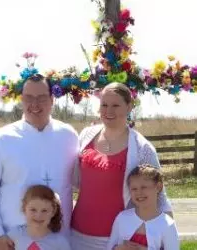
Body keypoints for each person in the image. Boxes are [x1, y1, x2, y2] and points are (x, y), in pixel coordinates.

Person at [0, 74, 79, 249]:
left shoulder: (68, 136)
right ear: (21, 100)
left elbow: (81, 182)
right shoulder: (2, 138)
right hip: (11, 240)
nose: (35, 104)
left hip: (58, 239)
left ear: (52, 100)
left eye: (42, 98)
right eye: (29, 97)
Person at [71, 82, 172, 250]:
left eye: (116, 105)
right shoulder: (86, 135)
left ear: (129, 107)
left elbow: (160, 197)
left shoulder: (142, 148)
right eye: (104, 105)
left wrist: (166, 240)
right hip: (77, 235)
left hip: (119, 240)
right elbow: (76, 182)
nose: (108, 111)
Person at [107, 164, 179, 250]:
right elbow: (110, 247)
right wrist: (119, 248)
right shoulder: (122, 218)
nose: (139, 192)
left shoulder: (167, 224)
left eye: (144, 187)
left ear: (158, 187)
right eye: (134, 189)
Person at [7, 184, 71, 250]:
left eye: (44, 210)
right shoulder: (14, 235)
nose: (38, 215)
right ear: (24, 209)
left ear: (53, 212)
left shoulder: (60, 243)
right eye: (33, 210)